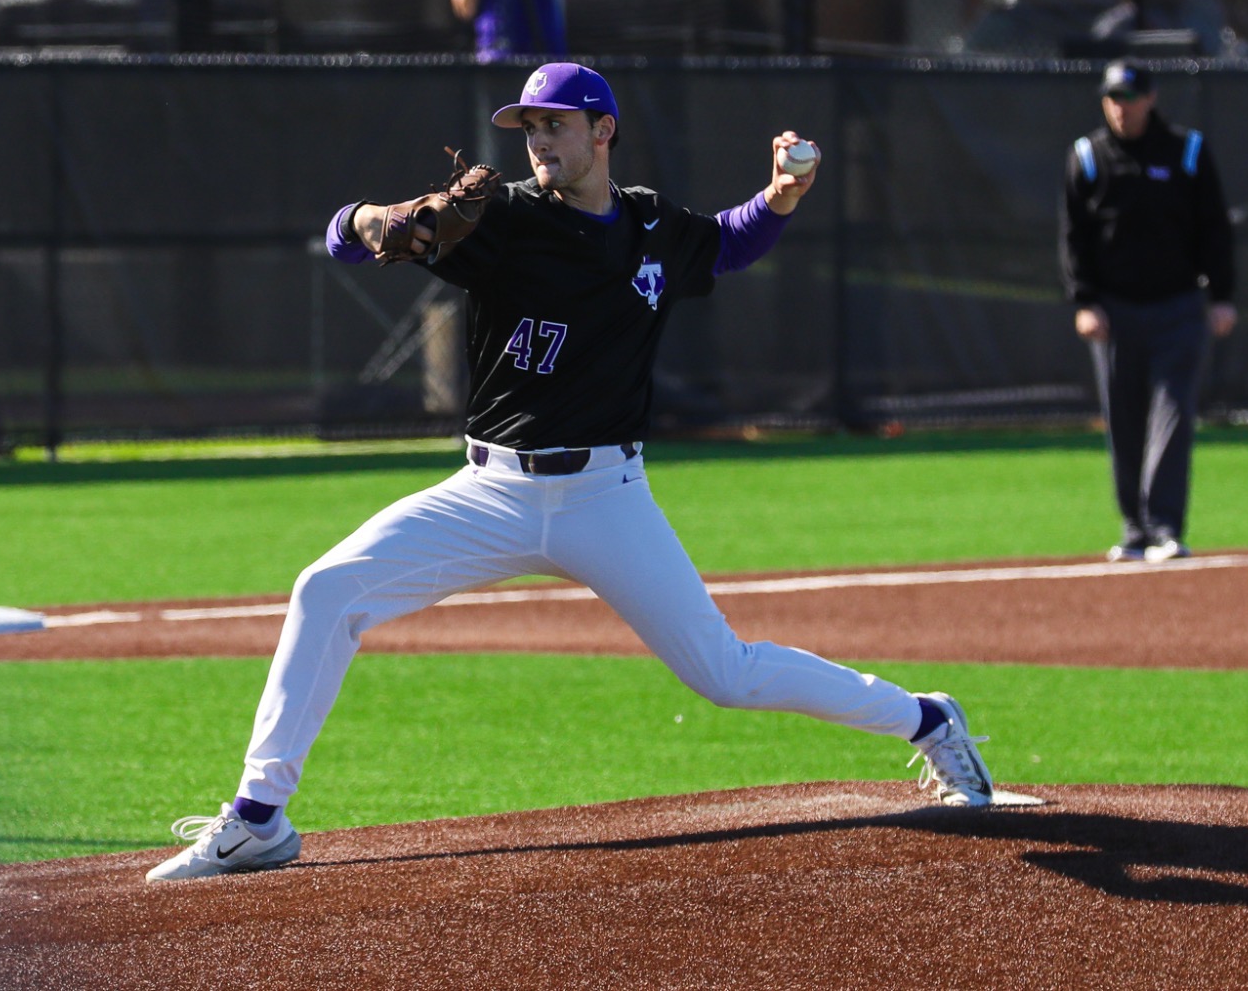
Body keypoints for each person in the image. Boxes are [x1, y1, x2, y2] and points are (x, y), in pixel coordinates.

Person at [146, 62, 998, 881]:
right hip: (489, 492)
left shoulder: (653, 224)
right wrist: (378, 217)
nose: (539, 141)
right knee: (326, 589)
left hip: (605, 498)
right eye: (527, 128)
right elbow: (343, 239)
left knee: (725, 674)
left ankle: (926, 717)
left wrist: (779, 197)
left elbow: (728, 246)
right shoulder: (502, 220)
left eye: (555, 125)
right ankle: (260, 816)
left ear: (603, 130)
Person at [1060, 59, 1237, 564]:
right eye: (1113, 98)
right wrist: (1086, 301)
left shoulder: (1187, 152)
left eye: (1130, 97)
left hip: (1178, 306)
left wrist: (1222, 297)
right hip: (1115, 312)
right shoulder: (1088, 157)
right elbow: (1072, 237)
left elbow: (1215, 230)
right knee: (1124, 419)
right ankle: (1134, 528)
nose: (1122, 108)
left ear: (1151, 98)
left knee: (1173, 414)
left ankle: (1164, 527)